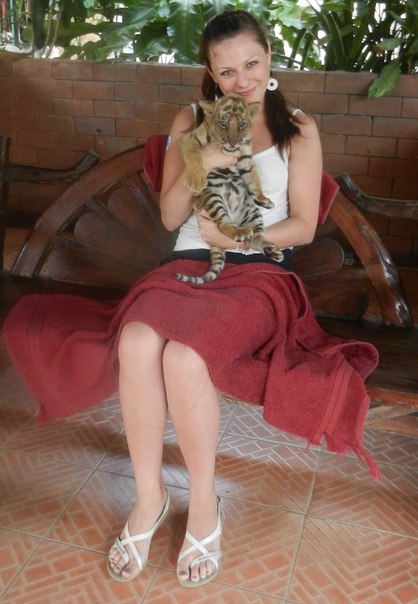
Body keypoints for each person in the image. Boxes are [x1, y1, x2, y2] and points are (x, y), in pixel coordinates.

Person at [3, 8, 379, 590]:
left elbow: (303, 226)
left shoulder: (297, 128)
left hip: (260, 272)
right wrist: (208, 156)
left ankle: (204, 503)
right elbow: (171, 215)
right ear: (209, 72)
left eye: (251, 64)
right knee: (136, 341)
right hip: (184, 265)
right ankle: (148, 499)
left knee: (184, 356)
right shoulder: (192, 119)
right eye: (226, 72)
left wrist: (241, 239)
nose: (242, 81)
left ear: (269, 58)